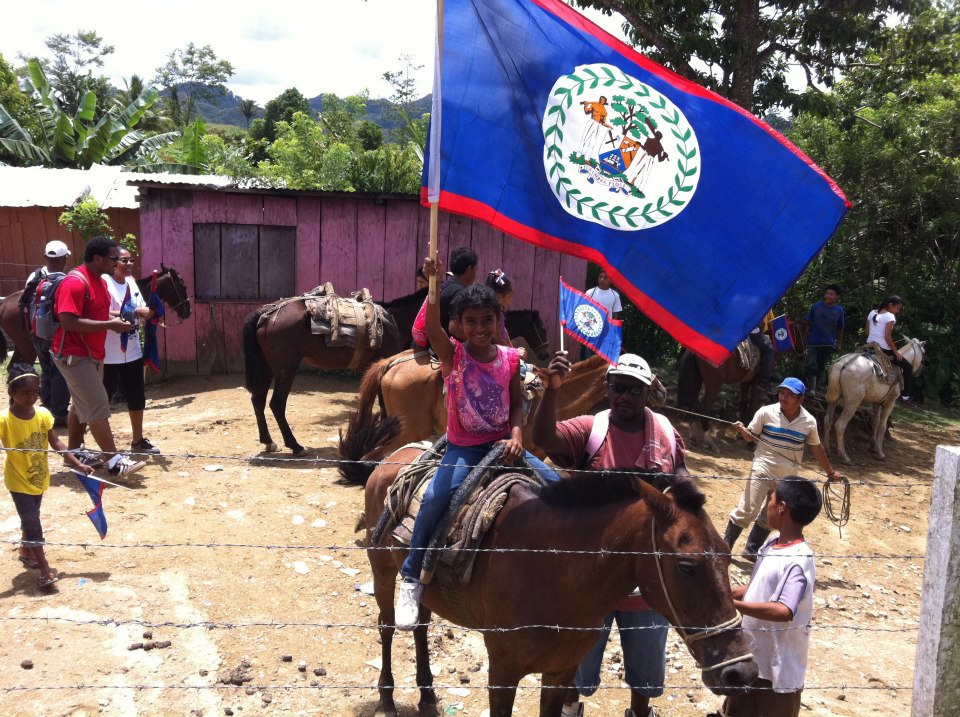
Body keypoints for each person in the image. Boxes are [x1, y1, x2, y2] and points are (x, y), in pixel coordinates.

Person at [394, 257, 559, 630]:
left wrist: (516, 436)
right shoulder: (454, 356)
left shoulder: (510, 359)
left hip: (503, 446)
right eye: (471, 321)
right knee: (435, 498)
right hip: (464, 449)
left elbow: (516, 405)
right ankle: (411, 576)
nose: (480, 328)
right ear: (459, 324)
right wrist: (434, 285)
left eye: (487, 319)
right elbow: (431, 326)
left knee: (557, 485)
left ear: (498, 320)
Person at [534, 352, 684, 717]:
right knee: (576, 658)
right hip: (592, 578)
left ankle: (639, 711)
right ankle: (571, 707)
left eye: (635, 390)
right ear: (607, 389)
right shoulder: (592, 429)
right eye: (618, 388)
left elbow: (681, 478)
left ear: (647, 393)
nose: (625, 396)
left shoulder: (666, 432)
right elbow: (544, 438)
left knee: (646, 660)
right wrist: (552, 391)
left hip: (647, 580)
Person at [712, 477, 822, 717]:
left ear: (782, 507)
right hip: (752, 658)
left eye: (770, 500)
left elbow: (784, 610)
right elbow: (756, 587)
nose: (767, 506)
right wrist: (722, 593)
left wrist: (735, 604)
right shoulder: (772, 544)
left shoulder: (798, 559)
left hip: (777, 670)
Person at [50, 236, 147, 478]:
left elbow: (101, 312)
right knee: (97, 404)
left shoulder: (99, 282)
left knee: (80, 404)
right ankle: (114, 462)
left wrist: (122, 316)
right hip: (73, 354)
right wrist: (110, 325)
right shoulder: (75, 282)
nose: (117, 262)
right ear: (97, 258)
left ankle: (74, 453)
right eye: (114, 258)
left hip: (92, 353)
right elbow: (68, 321)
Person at [723, 377, 843, 561]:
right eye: (781, 393)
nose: (783, 397)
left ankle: (751, 550)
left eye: (789, 395)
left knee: (771, 514)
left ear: (800, 399)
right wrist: (742, 431)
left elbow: (816, 447)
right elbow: (750, 437)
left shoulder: (808, 422)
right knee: (747, 508)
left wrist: (830, 472)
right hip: (762, 468)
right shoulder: (765, 412)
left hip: (787, 476)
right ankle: (724, 549)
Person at [2, 364, 93, 589]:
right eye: (25, 393)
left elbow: (56, 442)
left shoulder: (43, 414)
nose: (31, 397)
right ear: (12, 392)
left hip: (39, 478)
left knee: (31, 516)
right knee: (32, 522)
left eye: (36, 391)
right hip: (18, 480)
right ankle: (44, 570)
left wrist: (78, 463)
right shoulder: (4, 420)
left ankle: (26, 551)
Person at [101, 247, 160, 454]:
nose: (129, 264)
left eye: (131, 260)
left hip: (133, 351)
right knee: (102, 401)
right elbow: (102, 312)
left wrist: (150, 312)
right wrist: (134, 312)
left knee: (136, 397)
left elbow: (141, 309)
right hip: (108, 354)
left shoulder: (132, 283)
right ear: (113, 262)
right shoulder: (104, 283)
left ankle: (138, 440)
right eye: (124, 261)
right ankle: (107, 447)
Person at [20, 240, 73, 426]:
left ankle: (48, 405)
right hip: (57, 333)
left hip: (37, 332)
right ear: (65, 259)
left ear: (45, 257)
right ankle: (59, 414)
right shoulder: (65, 280)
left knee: (46, 369)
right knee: (60, 372)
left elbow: (26, 303)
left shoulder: (35, 276)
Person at [411, 246, 479, 348]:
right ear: (470, 269)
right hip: (441, 349)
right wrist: (477, 342)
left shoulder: (446, 285)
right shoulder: (460, 292)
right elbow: (454, 328)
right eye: (476, 269)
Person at [866, 295, 915, 404]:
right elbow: (887, 337)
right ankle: (905, 396)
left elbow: (867, 332)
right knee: (908, 367)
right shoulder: (890, 317)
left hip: (869, 346)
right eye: (897, 308)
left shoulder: (872, 312)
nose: (898, 311)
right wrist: (895, 351)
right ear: (890, 305)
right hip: (884, 350)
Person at [803, 285, 845, 393]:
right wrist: (807, 332)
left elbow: (840, 328)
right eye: (826, 293)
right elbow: (808, 321)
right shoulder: (816, 307)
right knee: (811, 364)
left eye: (831, 294)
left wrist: (838, 343)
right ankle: (811, 389)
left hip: (828, 343)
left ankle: (815, 387)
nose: (827, 296)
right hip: (813, 342)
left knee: (821, 366)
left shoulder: (839, 311)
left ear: (837, 297)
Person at [484, 269, 527, 360]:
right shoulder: (490, 313)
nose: (511, 300)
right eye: (510, 296)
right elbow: (497, 339)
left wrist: (513, 350)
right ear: (499, 296)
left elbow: (504, 332)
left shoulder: (498, 312)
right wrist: (514, 353)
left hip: (502, 352)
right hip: (491, 357)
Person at [581, 270, 622, 359]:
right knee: (589, 356)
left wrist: (613, 332)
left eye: (605, 277)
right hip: (591, 329)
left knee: (603, 357)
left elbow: (615, 315)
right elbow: (584, 310)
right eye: (600, 277)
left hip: (606, 331)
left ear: (610, 280)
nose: (602, 279)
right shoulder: (590, 292)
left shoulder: (615, 295)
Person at [748, 309, 776, 389]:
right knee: (769, 349)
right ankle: (764, 381)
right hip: (752, 329)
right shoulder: (765, 303)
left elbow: (770, 322)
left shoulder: (769, 307)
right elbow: (765, 323)